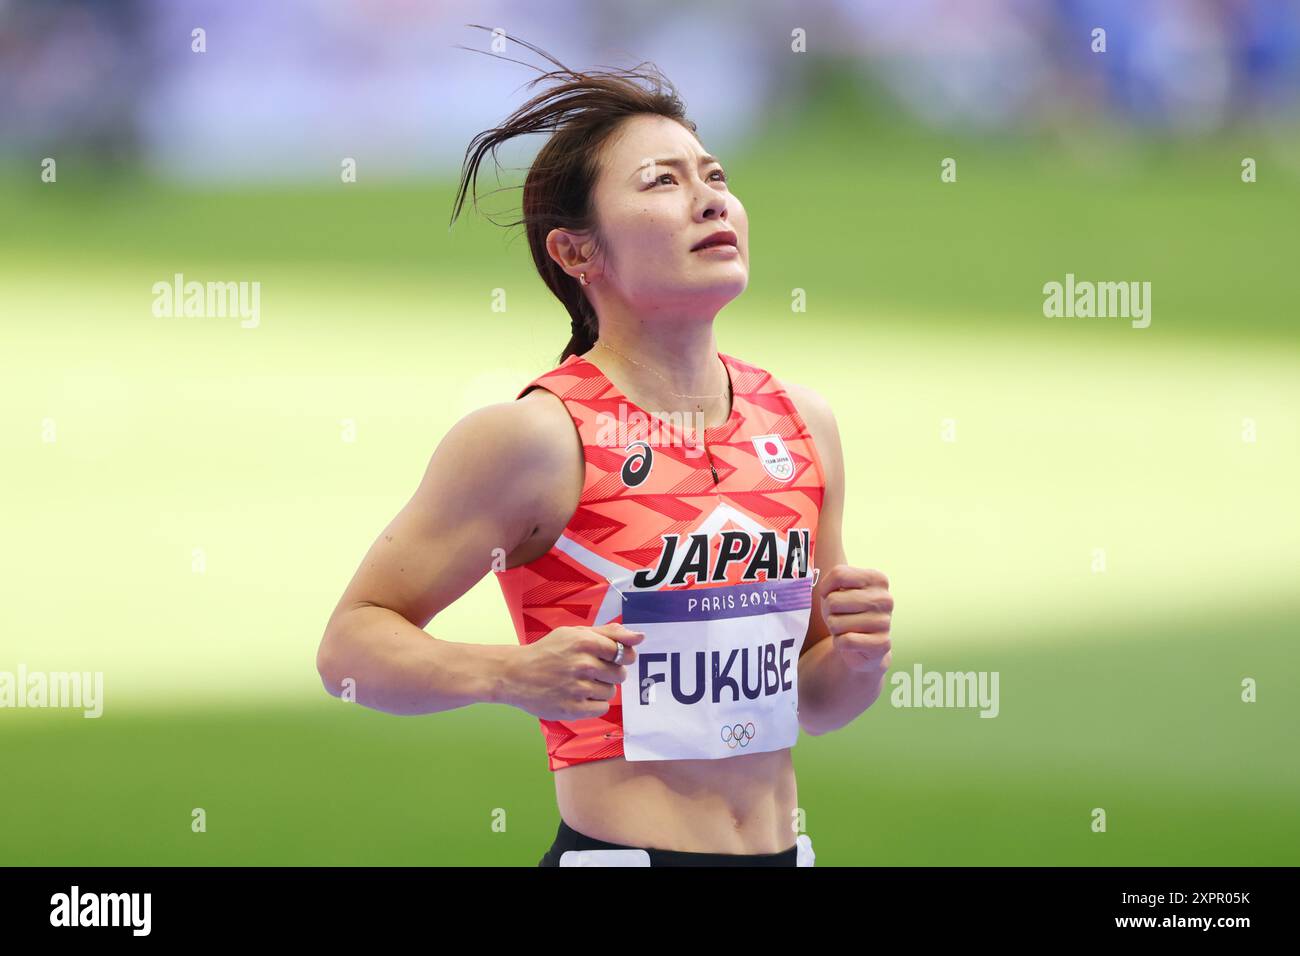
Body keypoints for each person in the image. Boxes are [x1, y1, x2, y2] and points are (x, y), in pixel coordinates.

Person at [315, 29, 895, 867]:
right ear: (576, 250)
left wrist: (861, 657)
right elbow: (349, 650)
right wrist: (506, 675)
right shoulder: (536, 437)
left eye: (717, 177)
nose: (711, 201)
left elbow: (816, 701)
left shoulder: (801, 422)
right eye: (663, 182)